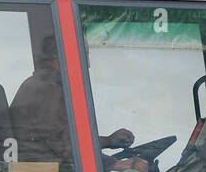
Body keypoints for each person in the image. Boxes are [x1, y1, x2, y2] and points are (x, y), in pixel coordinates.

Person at [10, 35, 138, 161]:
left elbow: (65, 140)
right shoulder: (48, 89)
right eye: (83, 55)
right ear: (57, 57)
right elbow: (65, 149)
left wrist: (108, 141)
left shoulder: (42, 85)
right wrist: (115, 165)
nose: (87, 63)